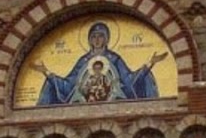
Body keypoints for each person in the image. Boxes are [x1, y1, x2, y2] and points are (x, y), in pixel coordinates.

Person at [31, 21, 167, 105]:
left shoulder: (114, 58)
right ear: (89, 40)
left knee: (148, 77)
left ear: (106, 39)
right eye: (94, 36)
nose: (97, 40)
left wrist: (150, 64)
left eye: (101, 36)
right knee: (49, 83)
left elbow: (128, 80)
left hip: (114, 99)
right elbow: (70, 84)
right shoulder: (83, 60)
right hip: (85, 101)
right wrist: (46, 72)